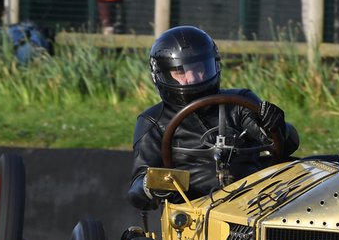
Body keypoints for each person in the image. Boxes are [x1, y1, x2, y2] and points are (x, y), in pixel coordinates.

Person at [128, 26, 300, 208]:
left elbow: (282, 144)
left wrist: (274, 125)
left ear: (214, 66)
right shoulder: (153, 121)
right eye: (181, 72)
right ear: (162, 76)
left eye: (198, 69)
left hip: (254, 201)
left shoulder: (239, 103)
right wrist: (150, 185)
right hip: (193, 212)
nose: (192, 78)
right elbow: (137, 187)